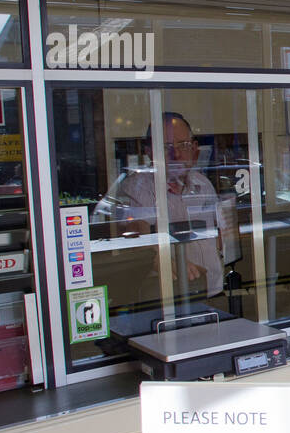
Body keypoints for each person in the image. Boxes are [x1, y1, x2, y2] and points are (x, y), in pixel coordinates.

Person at [93, 112, 224, 299]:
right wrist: (166, 261)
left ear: (194, 148)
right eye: (166, 147)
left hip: (214, 291)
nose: (176, 154)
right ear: (149, 152)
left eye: (183, 145)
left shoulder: (204, 184)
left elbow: (218, 232)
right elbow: (136, 245)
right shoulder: (133, 190)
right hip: (167, 302)